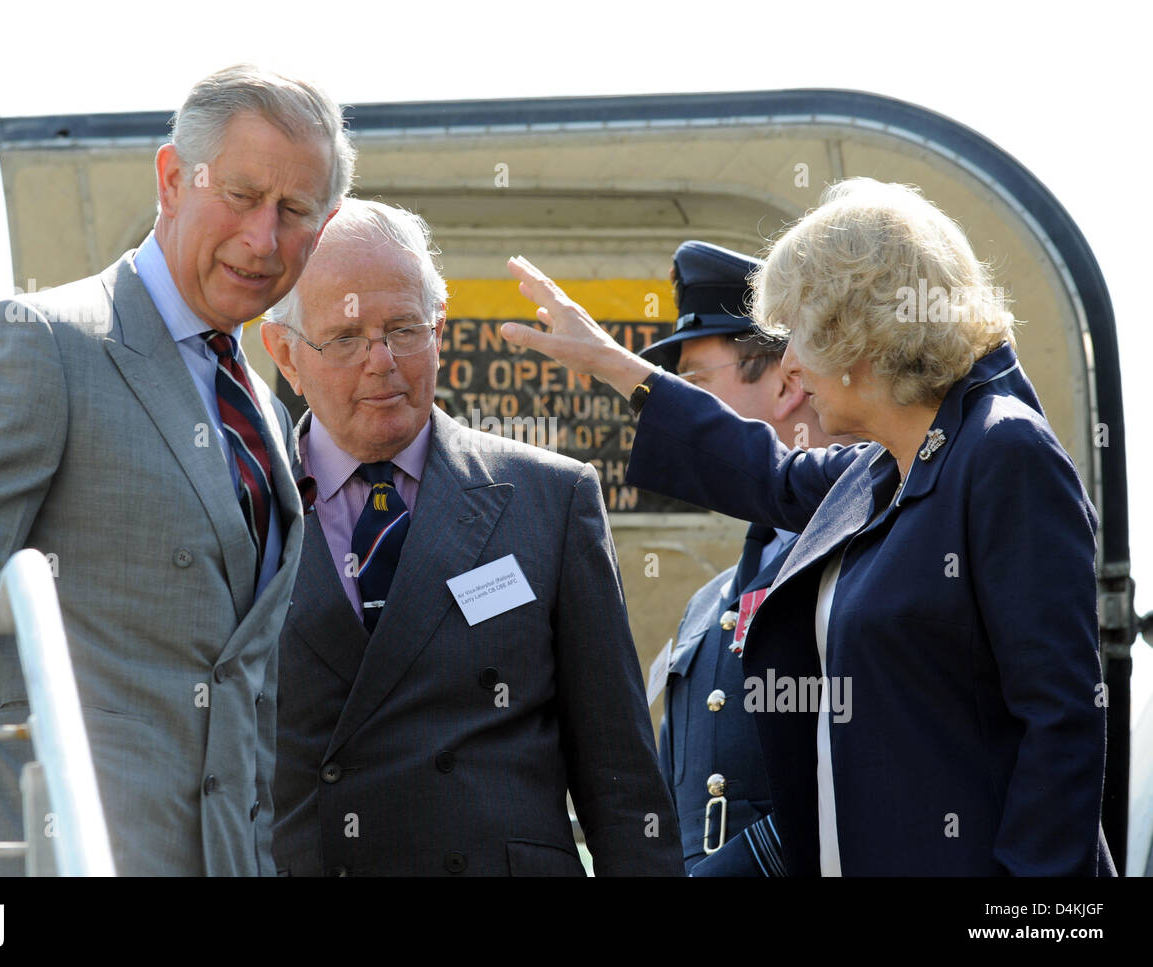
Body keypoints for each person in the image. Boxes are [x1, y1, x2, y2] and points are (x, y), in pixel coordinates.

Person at [501, 178, 1115, 876]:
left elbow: (1062, 721)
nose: (790, 365)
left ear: (862, 329)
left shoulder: (1003, 451)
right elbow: (760, 470)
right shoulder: (886, 467)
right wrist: (612, 363)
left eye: (802, 334)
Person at [0, 64, 354, 875]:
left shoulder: (267, 416)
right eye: (239, 195)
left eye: (293, 210)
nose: (263, 238)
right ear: (171, 179)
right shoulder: (41, 340)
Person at [260, 199, 682, 876]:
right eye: (345, 337)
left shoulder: (549, 499)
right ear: (285, 354)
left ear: (440, 331)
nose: (382, 360)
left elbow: (622, 779)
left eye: (404, 328)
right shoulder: (242, 510)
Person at [643, 240, 852, 875]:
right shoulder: (709, 605)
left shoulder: (859, 563)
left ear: (790, 382)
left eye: (697, 382)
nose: (681, 409)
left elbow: (860, 788)